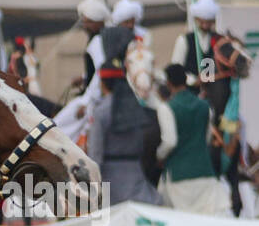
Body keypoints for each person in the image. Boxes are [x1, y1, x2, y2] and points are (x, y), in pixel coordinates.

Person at [87, 56, 161, 205]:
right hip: (137, 177)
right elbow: (142, 145)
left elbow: (95, 155)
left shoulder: (100, 112)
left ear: (103, 83)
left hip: (110, 181)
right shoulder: (136, 108)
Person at [160, 63, 223, 213]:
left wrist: (158, 156)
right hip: (205, 173)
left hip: (178, 176)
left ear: (168, 83)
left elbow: (169, 142)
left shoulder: (166, 107)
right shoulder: (205, 106)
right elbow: (207, 138)